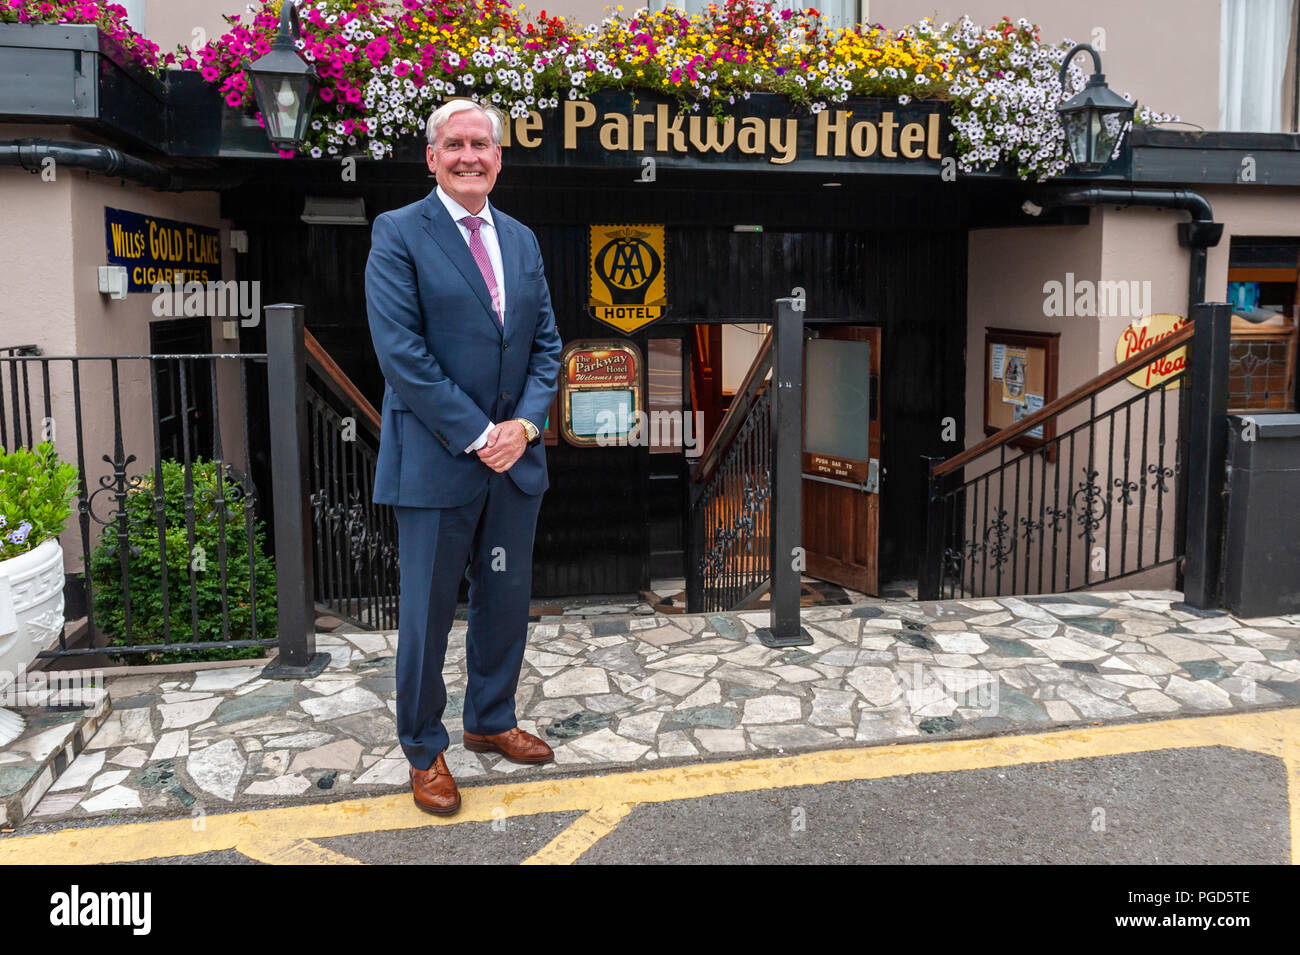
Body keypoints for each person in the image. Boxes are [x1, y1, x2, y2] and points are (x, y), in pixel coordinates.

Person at [365, 99, 563, 816]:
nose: (469, 156)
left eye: (482, 144)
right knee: (425, 616)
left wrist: (526, 427)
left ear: (499, 158)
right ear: (432, 157)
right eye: (455, 144)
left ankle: (490, 717)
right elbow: (403, 355)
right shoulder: (397, 233)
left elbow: (545, 345)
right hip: (438, 460)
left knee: (504, 599)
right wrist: (484, 434)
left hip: (515, 462)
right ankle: (424, 747)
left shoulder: (522, 238)